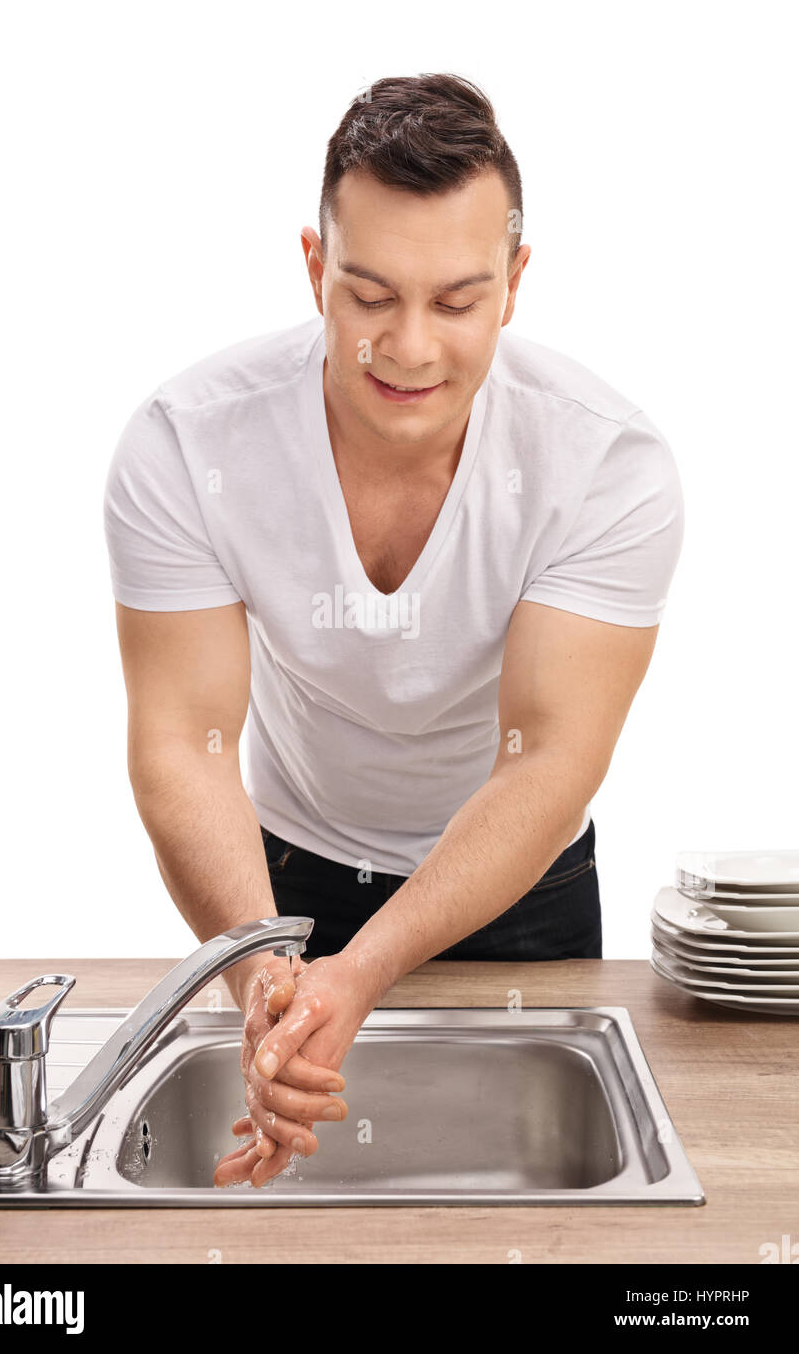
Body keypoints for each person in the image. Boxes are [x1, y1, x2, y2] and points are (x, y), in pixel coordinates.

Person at [103, 74, 684, 1187]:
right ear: (315, 269)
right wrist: (266, 971)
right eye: (368, 295)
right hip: (278, 888)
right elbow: (185, 743)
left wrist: (362, 972)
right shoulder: (185, 445)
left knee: (534, 1216)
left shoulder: (605, 466)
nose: (409, 348)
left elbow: (550, 759)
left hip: (521, 891)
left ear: (514, 285)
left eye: (456, 302)